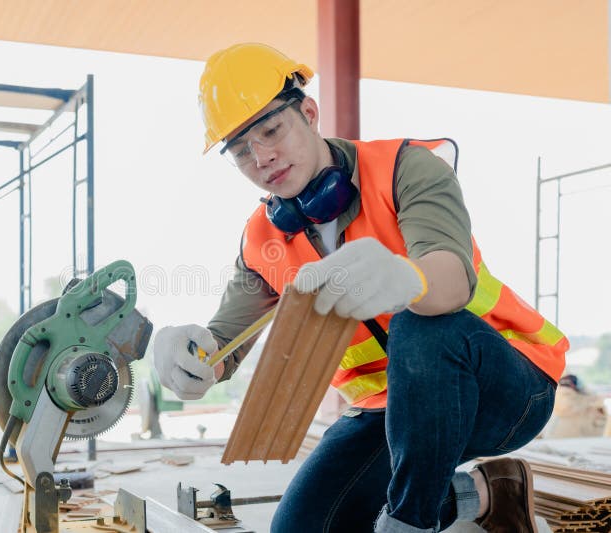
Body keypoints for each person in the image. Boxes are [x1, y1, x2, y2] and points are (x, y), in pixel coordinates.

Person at [152, 43, 569, 533]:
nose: (262, 157)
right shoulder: (263, 239)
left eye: (271, 130)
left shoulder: (404, 169)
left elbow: (452, 279)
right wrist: (191, 355)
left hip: (505, 390)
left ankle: (411, 522)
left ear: (309, 113)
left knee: (422, 325)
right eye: (241, 150)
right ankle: (489, 492)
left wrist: (406, 279)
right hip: (393, 412)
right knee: (302, 528)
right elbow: (224, 342)